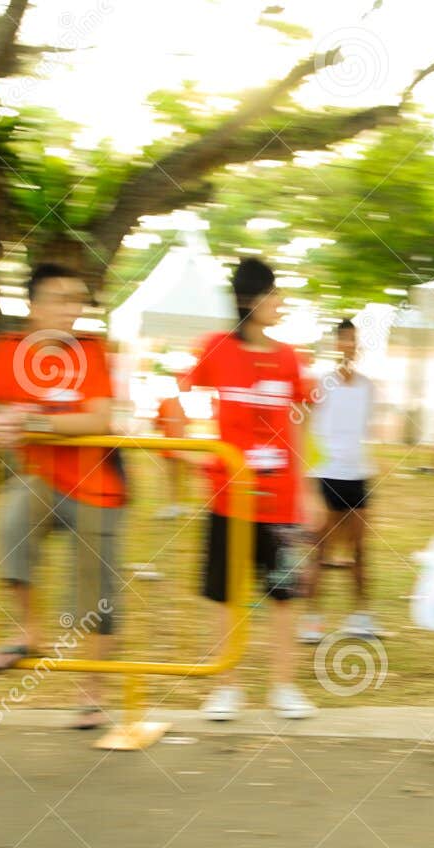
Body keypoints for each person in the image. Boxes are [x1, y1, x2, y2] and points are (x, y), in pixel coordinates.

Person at [0, 263, 124, 730]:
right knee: (11, 520)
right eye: (59, 298)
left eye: (76, 300)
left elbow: (98, 419)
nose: (70, 309)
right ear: (33, 305)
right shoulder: (7, 350)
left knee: (93, 589)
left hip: (98, 484)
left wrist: (31, 423)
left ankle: (93, 691)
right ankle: (28, 631)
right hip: (47, 480)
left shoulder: (91, 352)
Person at [184, 257, 315, 719]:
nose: (280, 302)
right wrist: (188, 450)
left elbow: (301, 425)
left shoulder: (290, 358)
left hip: (281, 503)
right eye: (273, 293)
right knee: (226, 594)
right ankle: (226, 686)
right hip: (228, 498)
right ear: (249, 300)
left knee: (284, 596)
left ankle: (283, 687)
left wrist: (309, 491)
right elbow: (180, 396)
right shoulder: (215, 347)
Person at [301, 319, 377, 643]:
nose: (349, 345)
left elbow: (363, 431)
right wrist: (307, 479)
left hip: (357, 476)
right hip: (324, 475)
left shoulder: (368, 387)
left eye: (354, 340)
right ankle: (312, 620)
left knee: (360, 550)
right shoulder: (320, 384)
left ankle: (360, 617)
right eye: (344, 339)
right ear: (336, 344)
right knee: (319, 553)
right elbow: (305, 429)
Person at [152, 391, 191, 521]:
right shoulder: (179, 404)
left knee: (171, 479)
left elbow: (156, 425)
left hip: (170, 448)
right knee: (179, 478)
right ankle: (178, 505)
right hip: (178, 447)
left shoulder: (166, 403)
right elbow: (186, 424)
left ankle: (173, 506)